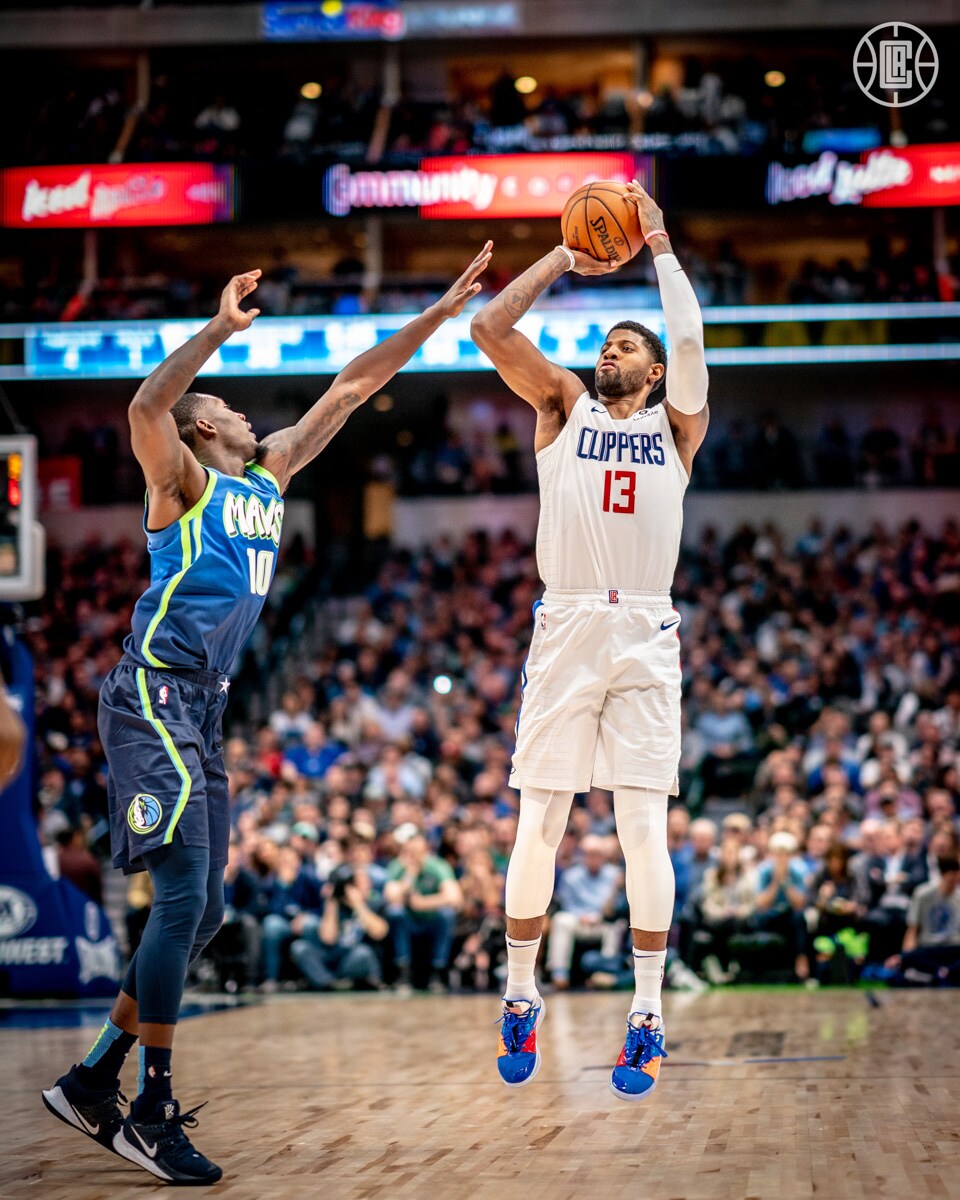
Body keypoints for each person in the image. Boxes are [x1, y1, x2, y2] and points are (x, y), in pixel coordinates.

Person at [41, 245, 492, 1184]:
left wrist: (438, 315)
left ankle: (93, 1082)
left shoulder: (269, 475)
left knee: (202, 911)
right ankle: (151, 1107)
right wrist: (216, 330)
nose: (246, 410)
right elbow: (143, 407)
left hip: (205, 707)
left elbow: (356, 383)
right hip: (152, 695)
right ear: (203, 429)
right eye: (227, 406)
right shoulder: (184, 481)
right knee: (178, 898)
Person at [471, 180, 709, 1100]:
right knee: (542, 818)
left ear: (650, 373)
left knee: (643, 827)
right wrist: (567, 256)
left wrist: (657, 242)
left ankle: (646, 1017)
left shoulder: (676, 426)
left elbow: (687, 341)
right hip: (567, 619)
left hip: (646, 625)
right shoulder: (562, 404)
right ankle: (519, 991)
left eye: (624, 346)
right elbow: (492, 331)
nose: (607, 351)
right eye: (605, 343)